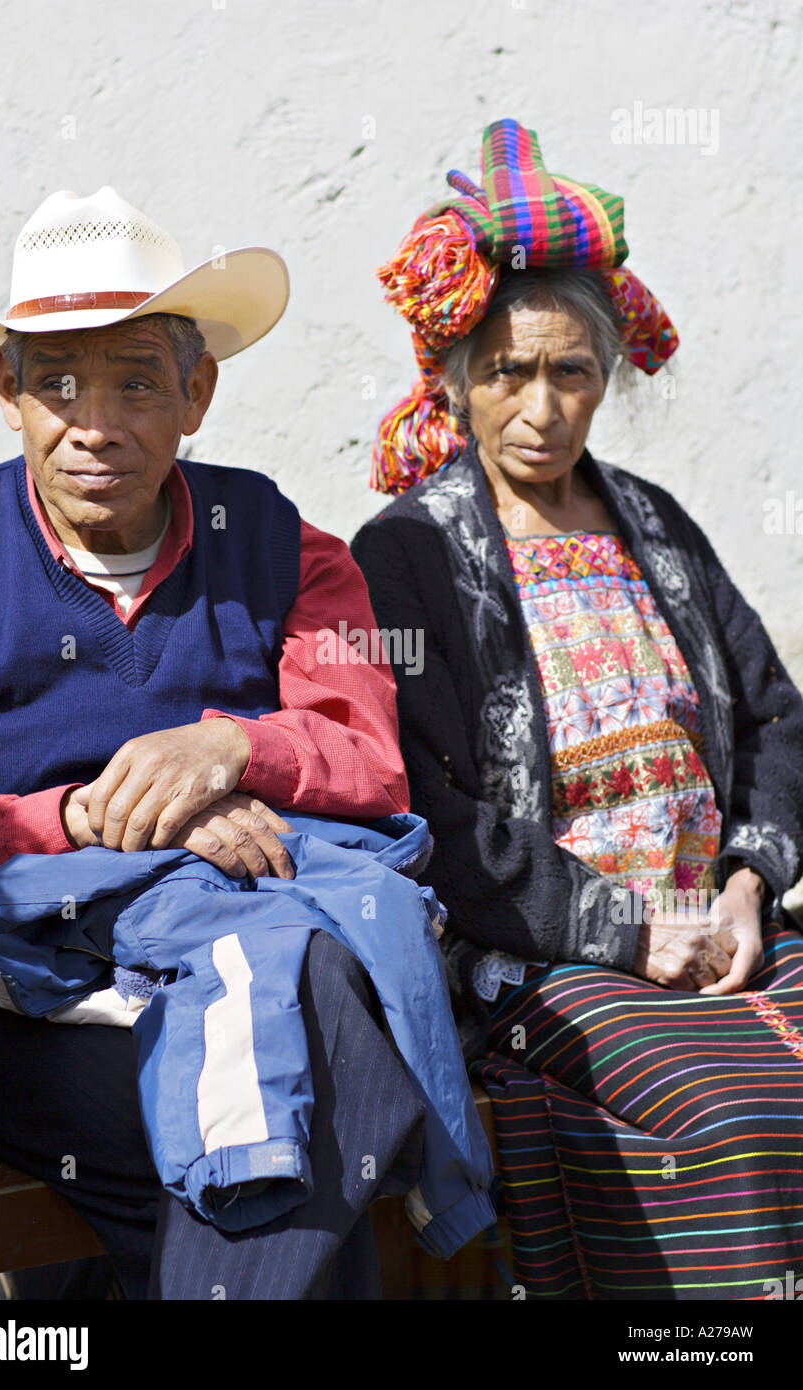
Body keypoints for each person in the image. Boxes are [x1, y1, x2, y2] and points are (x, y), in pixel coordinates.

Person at [0, 186, 494, 1299]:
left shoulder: (281, 542)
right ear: (8, 392)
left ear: (197, 393)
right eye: (56, 381)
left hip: (275, 966)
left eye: (137, 380)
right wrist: (90, 817)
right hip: (45, 1008)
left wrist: (228, 752)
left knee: (298, 1018)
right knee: (322, 1079)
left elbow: (368, 759)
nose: (95, 423)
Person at [352, 118, 803, 1300]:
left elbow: (772, 719)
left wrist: (746, 886)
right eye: (505, 371)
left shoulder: (653, 525)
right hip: (543, 952)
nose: (539, 406)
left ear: (604, 379)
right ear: (455, 380)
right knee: (741, 1111)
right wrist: (627, 929)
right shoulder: (407, 556)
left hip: (723, 929)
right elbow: (416, 801)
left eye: (569, 371)